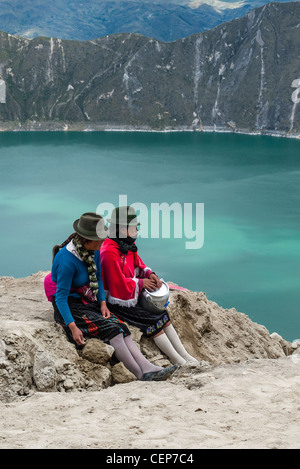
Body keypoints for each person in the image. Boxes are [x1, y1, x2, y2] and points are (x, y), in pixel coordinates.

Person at [44, 212, 177, 382]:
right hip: (70, 306)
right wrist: (72, 327)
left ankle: (148, 367)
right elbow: (61, 298)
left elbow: (98, 278)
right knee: (112, 330)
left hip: (87, 300)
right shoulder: (66, 260)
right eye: (98, 240)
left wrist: (103, 303)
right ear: (85, 240)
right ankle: (140, 374)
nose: (102, 243)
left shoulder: (94, 250)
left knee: (121, 326)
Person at [100, 206, 198, 366]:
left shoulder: (126, 246)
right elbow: (116, 282)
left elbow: (139, 265)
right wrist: (141, 283)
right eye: (134, 227)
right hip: (117, 300)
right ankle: (178, 360)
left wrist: (150, 275)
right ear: (124, 229)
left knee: (163, 315)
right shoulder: (109, 252)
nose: (137, 229)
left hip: (129, 292)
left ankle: (186, 356)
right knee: (153, 321)